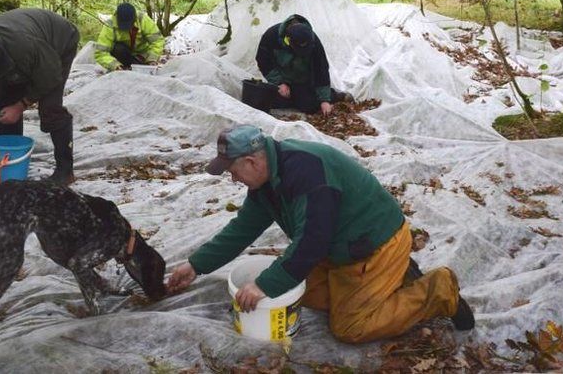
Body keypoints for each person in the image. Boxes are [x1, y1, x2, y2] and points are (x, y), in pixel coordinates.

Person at [167, 125, 474, 343]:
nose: (233, 179)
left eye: (233, 171)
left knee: (350, 326)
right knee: (304, 294)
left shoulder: (307, 172)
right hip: (339, 247)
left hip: (374, 244)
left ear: (251, 161)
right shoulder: (266, 181)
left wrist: (264, 284)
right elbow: (241, 230)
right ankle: (393, 280)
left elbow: (312, 240)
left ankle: (438, 290)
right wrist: (195, 265)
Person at [0, 8, 79, 184]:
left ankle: (65, 172)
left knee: (50, 109)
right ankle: (7, 162)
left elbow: (51, 75)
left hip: (59, 41)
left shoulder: (21, 44)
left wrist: (21, 105)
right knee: (4, 107)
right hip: (30, 51)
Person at [255, 14, 351, 116]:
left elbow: (321, 71)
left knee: (309, 105)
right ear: (288, 40)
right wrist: (279, 82)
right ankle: (296, 97)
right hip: (281, 79)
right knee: (264, 100)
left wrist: (325, 100)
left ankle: (335, 95)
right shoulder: (271, 37)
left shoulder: (313, 41)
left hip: (303, 81)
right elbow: (263, 61)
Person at [94, 2, 165, 71]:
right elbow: (101, 53)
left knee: (143, 66)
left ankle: (141, 64)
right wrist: (115, 66)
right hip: (122, 56)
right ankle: (123, 67)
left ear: (134, 19)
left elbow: (157, 41)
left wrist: (152, 59)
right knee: (118, 48)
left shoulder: (143, 20)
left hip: (142, 55)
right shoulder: (110, 25)